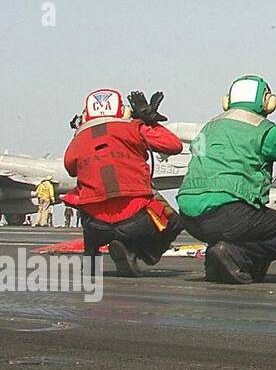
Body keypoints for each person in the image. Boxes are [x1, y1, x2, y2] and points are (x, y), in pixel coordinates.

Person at [178, 75, 276, 284]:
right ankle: (236, 256)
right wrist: (274, 138)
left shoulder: (210, 126)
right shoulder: (266, 130)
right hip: (228, 214)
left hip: (189, 215)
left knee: (232, 227)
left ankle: (216, 264)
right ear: (267, 102)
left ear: (227, 101)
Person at [63, 89, 186, 276]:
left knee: (84, 198)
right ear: (123, 110)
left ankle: (90, 257)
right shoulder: (134, 128)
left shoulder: (78, 140)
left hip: (96, 226)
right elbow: (174, 146)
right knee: (175, 222)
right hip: (136, 220)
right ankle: (135, 252)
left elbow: (70, 167)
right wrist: (150, 121)